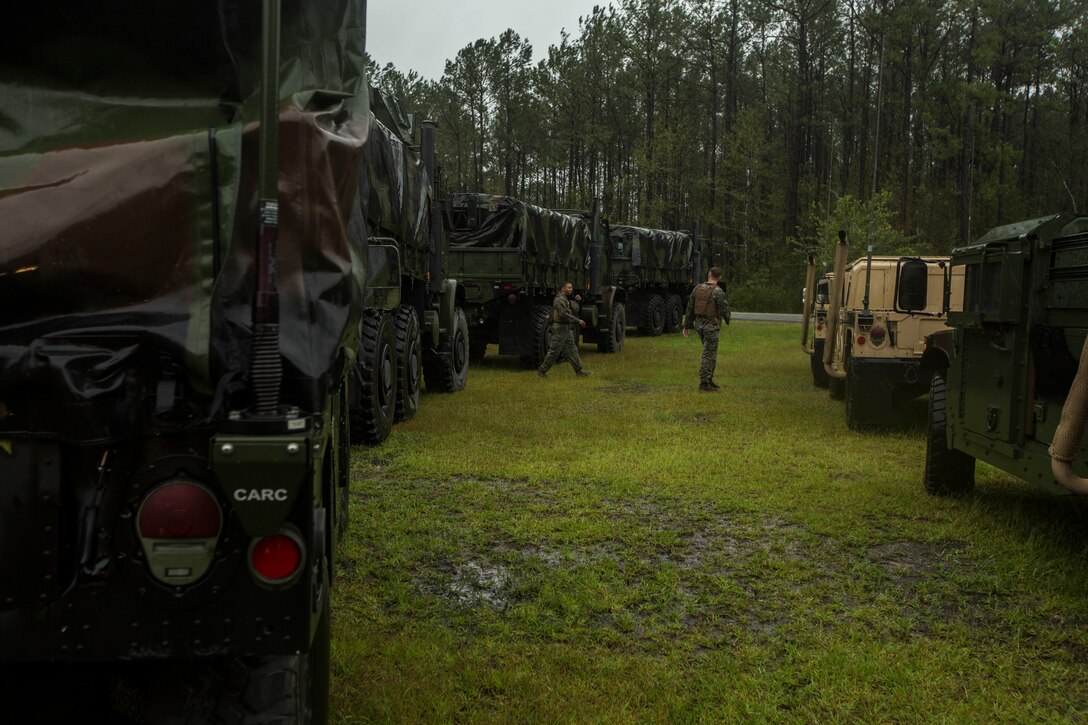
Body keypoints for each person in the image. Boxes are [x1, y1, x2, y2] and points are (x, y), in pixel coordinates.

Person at [683, 266, 730, 391]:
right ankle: (704, 383)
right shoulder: (718, 291)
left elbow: (690, 307)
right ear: (719, 277)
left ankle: (709, 380)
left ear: (709, 274)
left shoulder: (697, 288)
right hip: (711, 327)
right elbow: (724, 308)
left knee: (711, 353)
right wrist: (727, 319)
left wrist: (687, 325)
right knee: (708, 354)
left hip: (699, 326)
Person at [538, 282, 591, 378]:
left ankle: (579, 371)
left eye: (571, 288)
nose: (571, 289)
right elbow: (563, 314)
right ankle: (542, 371)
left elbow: (572, 310)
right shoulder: (559, 299)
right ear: (563, 289)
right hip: (560, 329)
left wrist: (576, 301)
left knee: (572, 349)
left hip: (565, 328)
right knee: (554, 351)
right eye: (569, 287)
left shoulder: (565, 299)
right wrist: (578, 321)